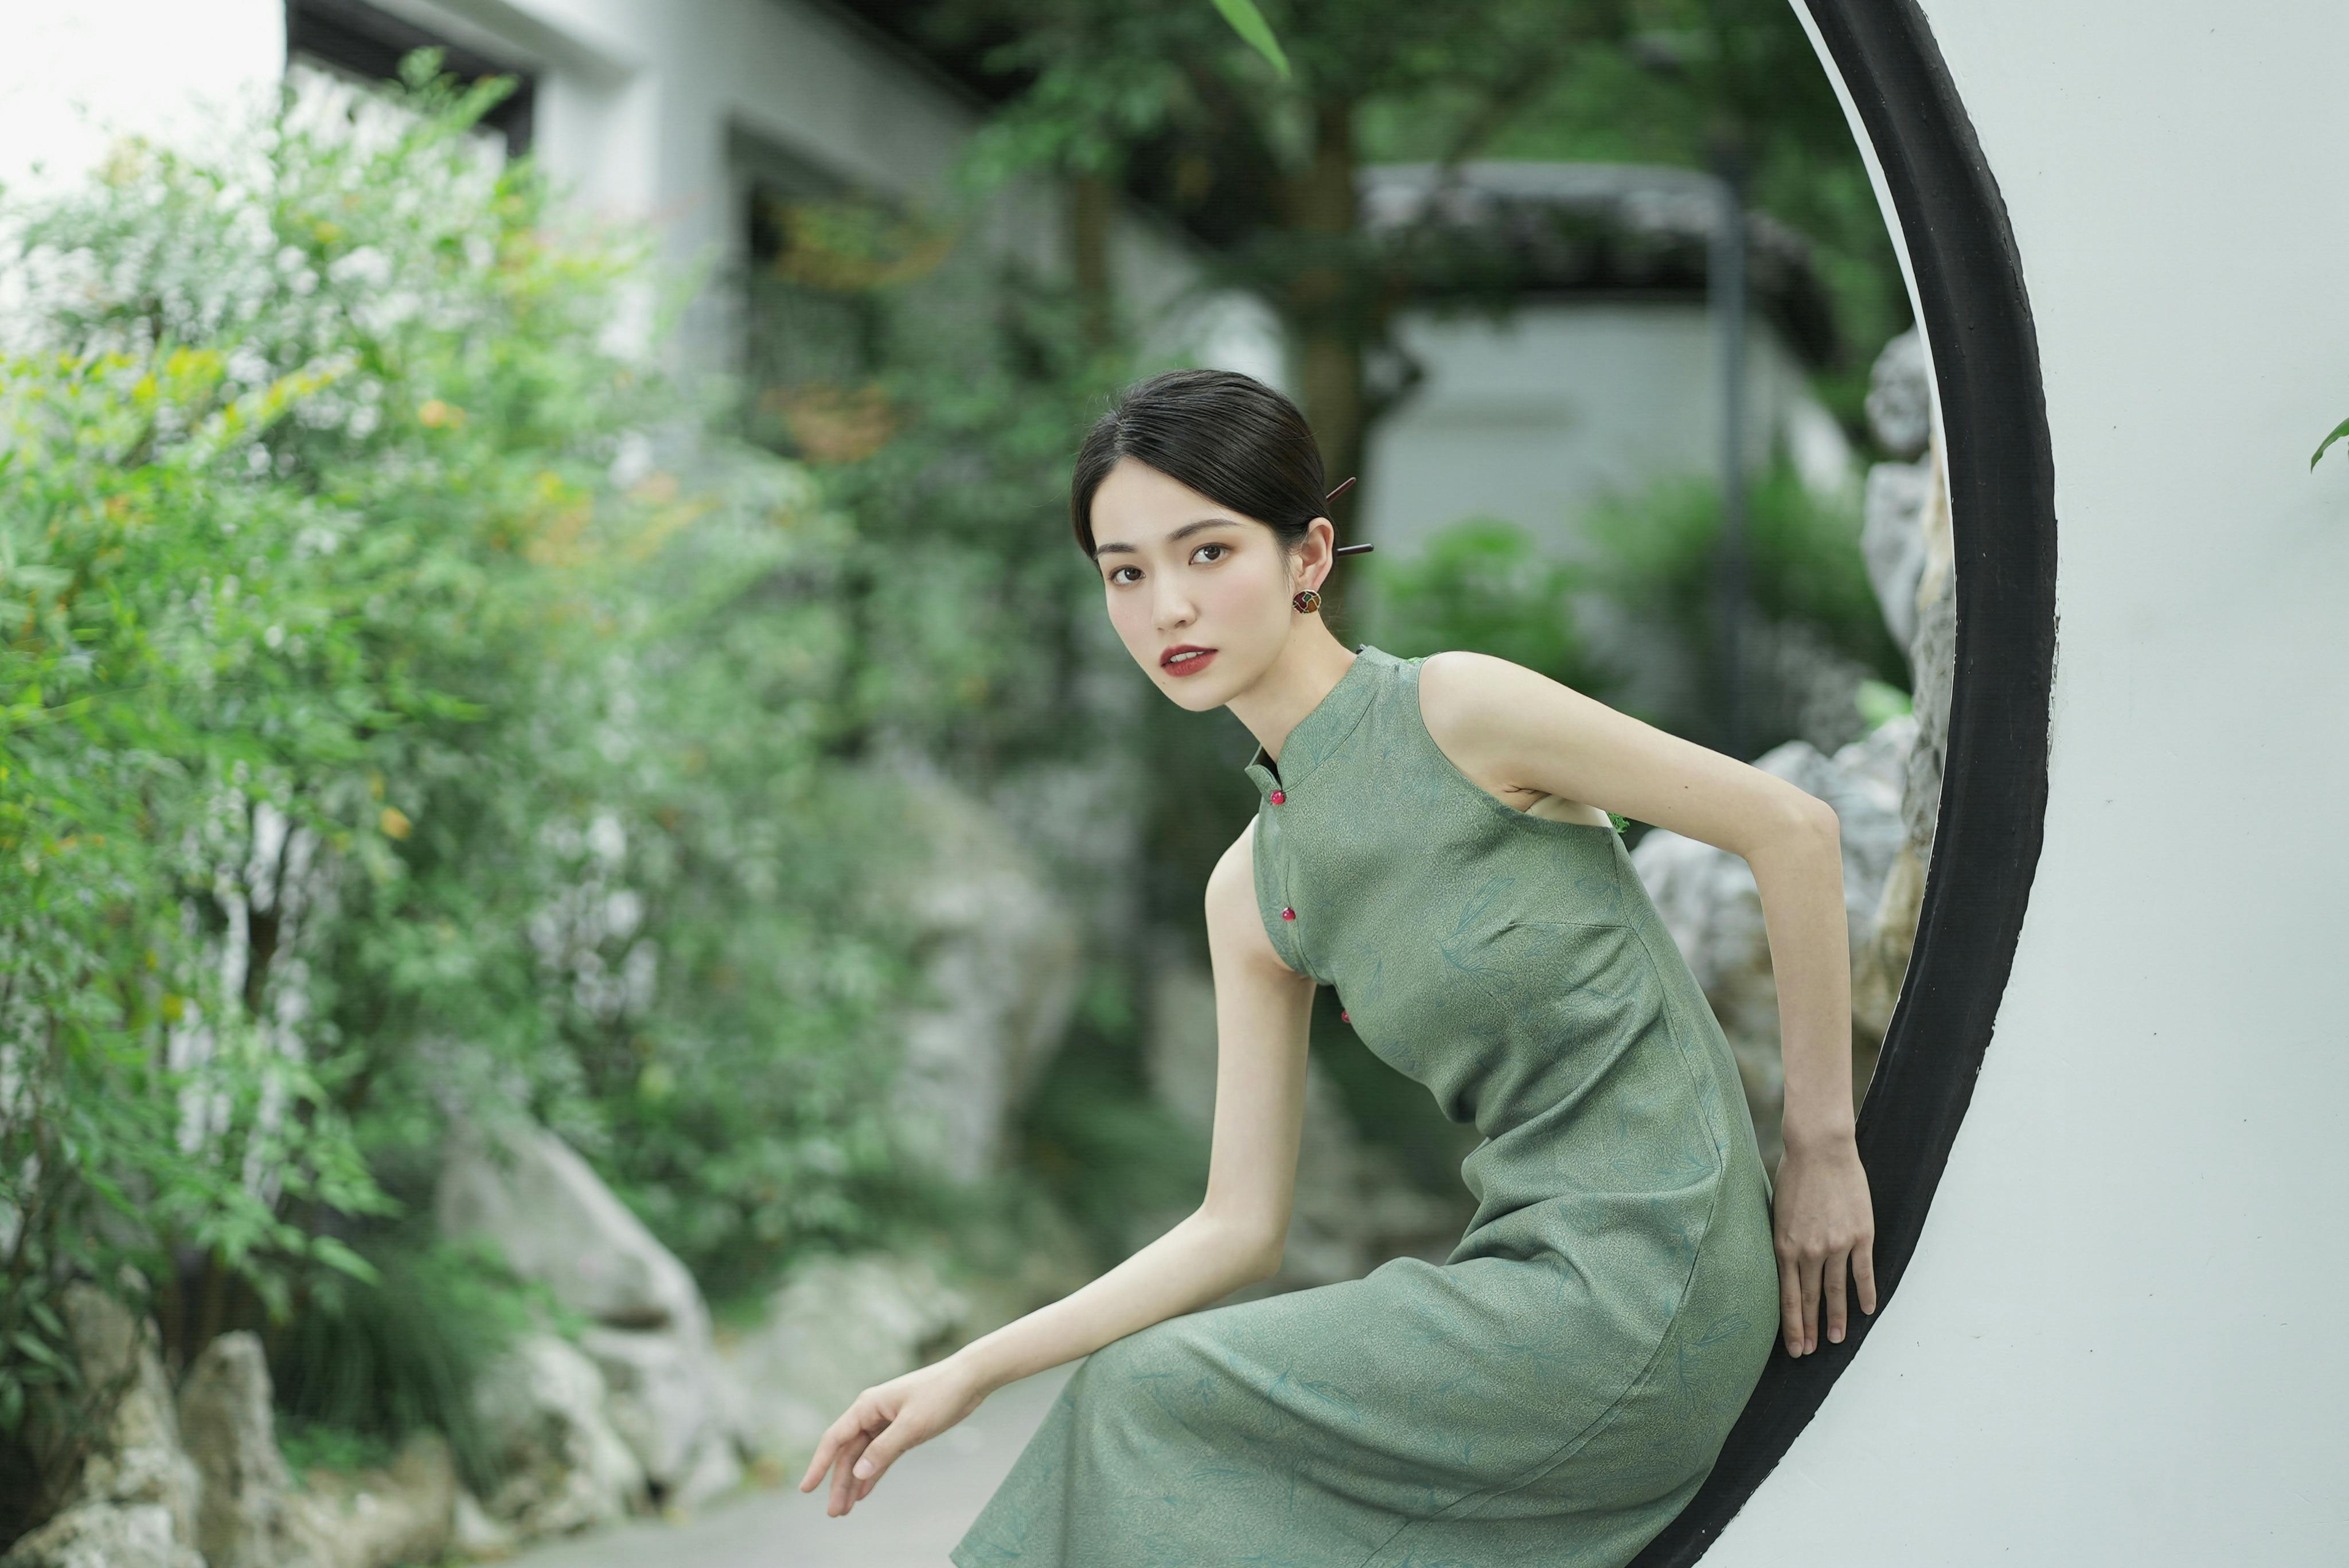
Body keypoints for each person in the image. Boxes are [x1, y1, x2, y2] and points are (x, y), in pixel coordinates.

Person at [799, 368, 1877, 1565]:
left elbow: (1792, 829)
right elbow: (1235, 1225)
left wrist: (1818, 1147)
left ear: (1307, 555)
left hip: (1647, 1280)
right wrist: (968, 1369)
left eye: (1206, 552)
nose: (1166, 606)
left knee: (1145, 1399)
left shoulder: (1459, 711)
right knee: (1141, 1418)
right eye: (1125, 571)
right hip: (1514, 1275)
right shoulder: (1249, 891)